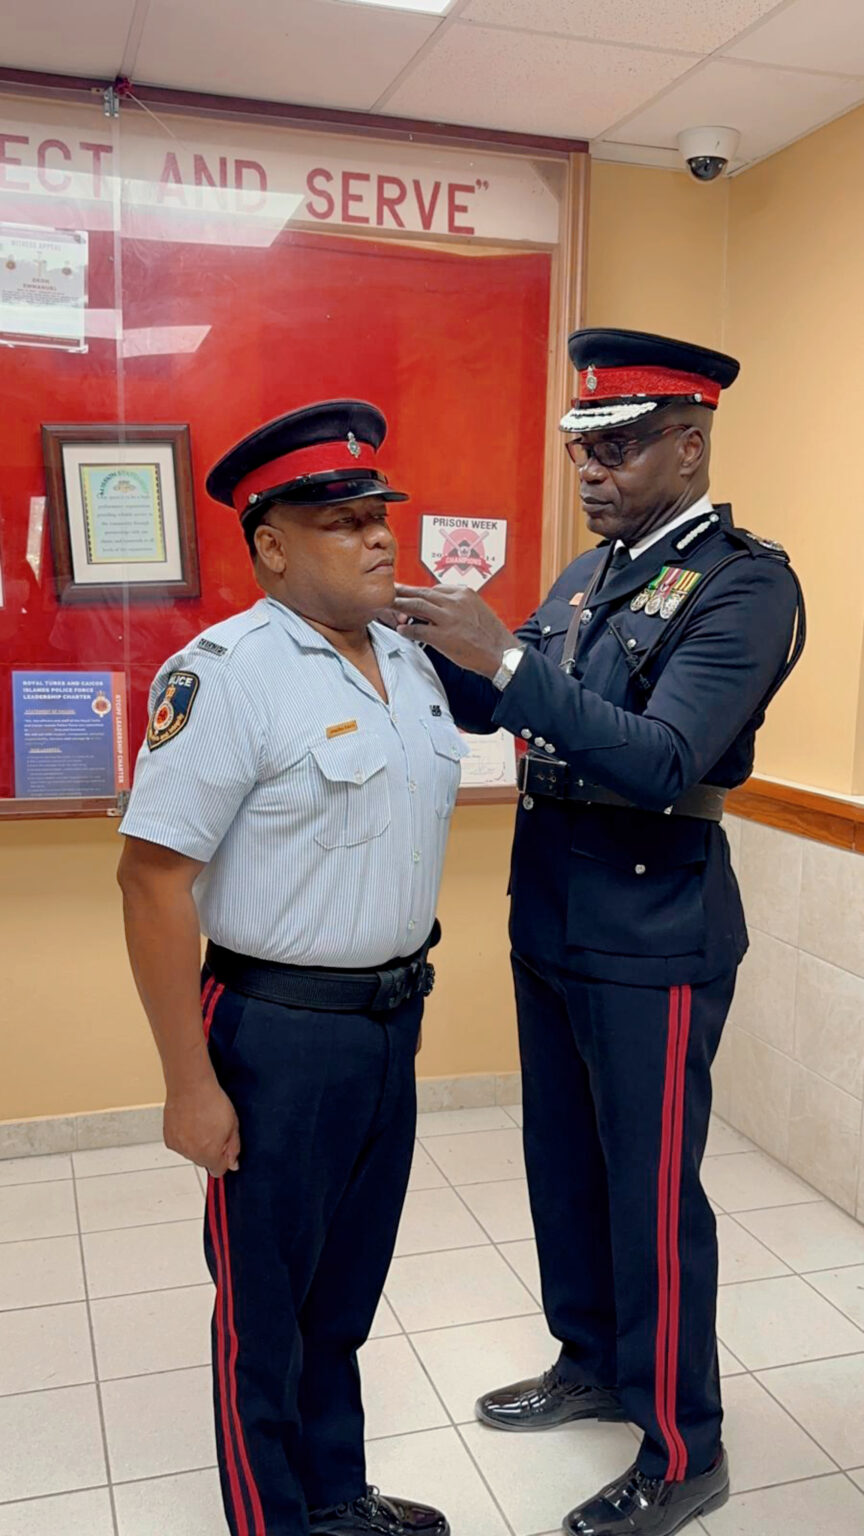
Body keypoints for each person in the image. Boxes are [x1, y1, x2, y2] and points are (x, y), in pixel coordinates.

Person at [392, 330, 805, 1536]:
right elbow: (506, 701)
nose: (591, 470)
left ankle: (684, 1447)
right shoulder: (590, 575)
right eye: (584, 449)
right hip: (554, 916)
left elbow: (665, 758)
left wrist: (502, 655)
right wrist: (433, 640)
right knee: (564, 1169)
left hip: (651, 926)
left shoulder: (745, 585)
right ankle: (592, 1360)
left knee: (652, 1195)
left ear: (690, 446)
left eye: (617, 448)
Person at [117, 400, 464, 1536]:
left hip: (390, 1024)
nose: (378, 537)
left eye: (379, 516)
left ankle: (333, 1496)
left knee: (344, 1294)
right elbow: (151, 882)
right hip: (276, 1033)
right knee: (265, 1314)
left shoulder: (410, 661)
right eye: (341, 522)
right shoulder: (226, 675)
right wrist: (189, 1083)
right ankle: (273, 1520)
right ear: (271, 547)